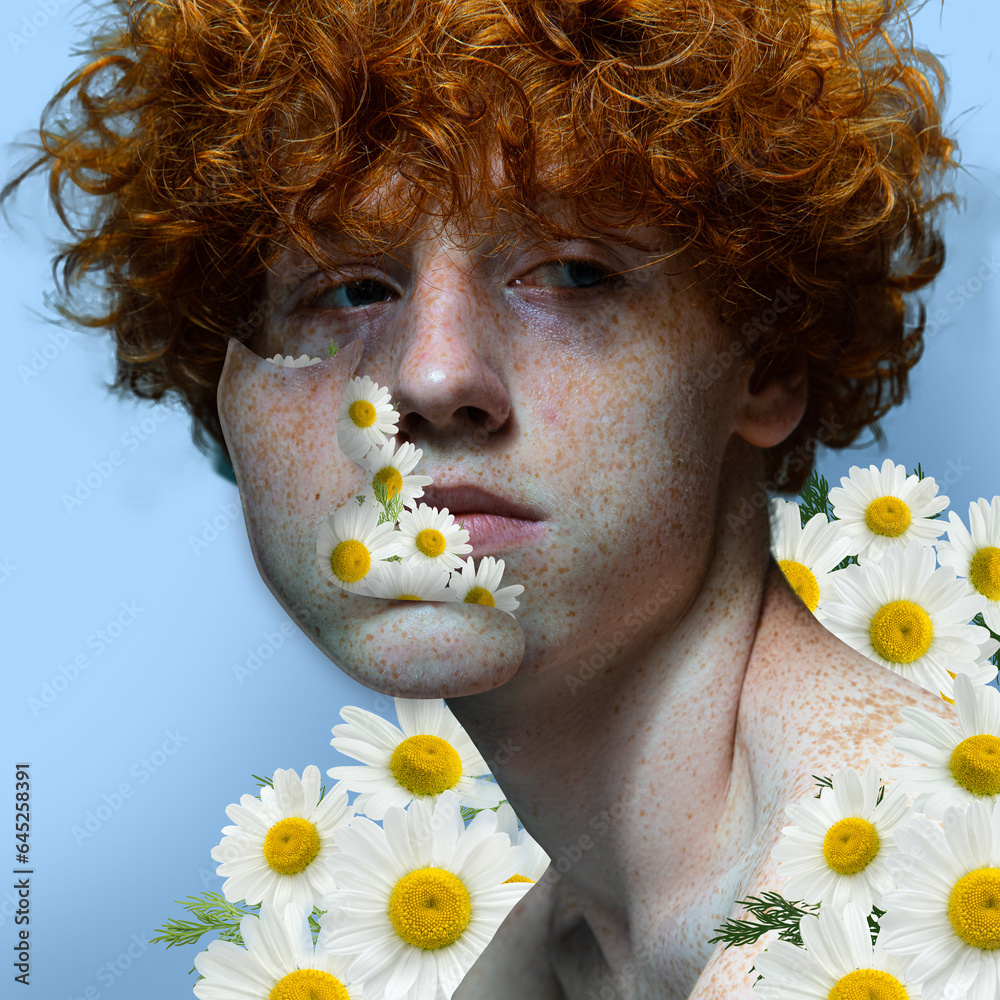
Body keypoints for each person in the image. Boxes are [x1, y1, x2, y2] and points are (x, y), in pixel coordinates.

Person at [1, 0, 968, 995]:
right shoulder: (581, 948)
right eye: (346, 288)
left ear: (763, 363)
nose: (431, 378)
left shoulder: (913, 915)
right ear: (227, 390)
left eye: (569, 271)